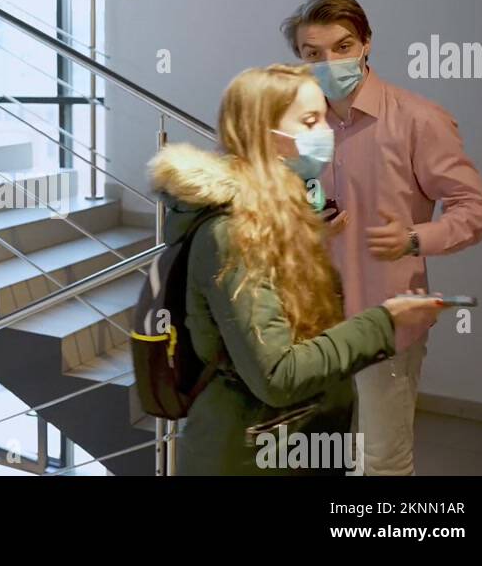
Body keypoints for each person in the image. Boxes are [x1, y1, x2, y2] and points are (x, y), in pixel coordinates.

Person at [148, 64, 446, 475]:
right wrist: (383, 323)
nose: (326, 131)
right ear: (266, 137)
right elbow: (278, 374)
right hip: (249, 457)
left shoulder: (283, 218)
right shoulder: (234, 234)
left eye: (324, 116)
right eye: (310, 121)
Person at [281, 0, 482, 475]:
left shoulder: (419, 119)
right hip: (307, 322)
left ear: (367, 44)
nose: (329, 61)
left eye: (342, 46)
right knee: (313, 455)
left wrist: (416, 238)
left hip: (385, 319)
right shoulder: (295, 123)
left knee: (381, 461)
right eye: (312, 54)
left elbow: (475, 209)